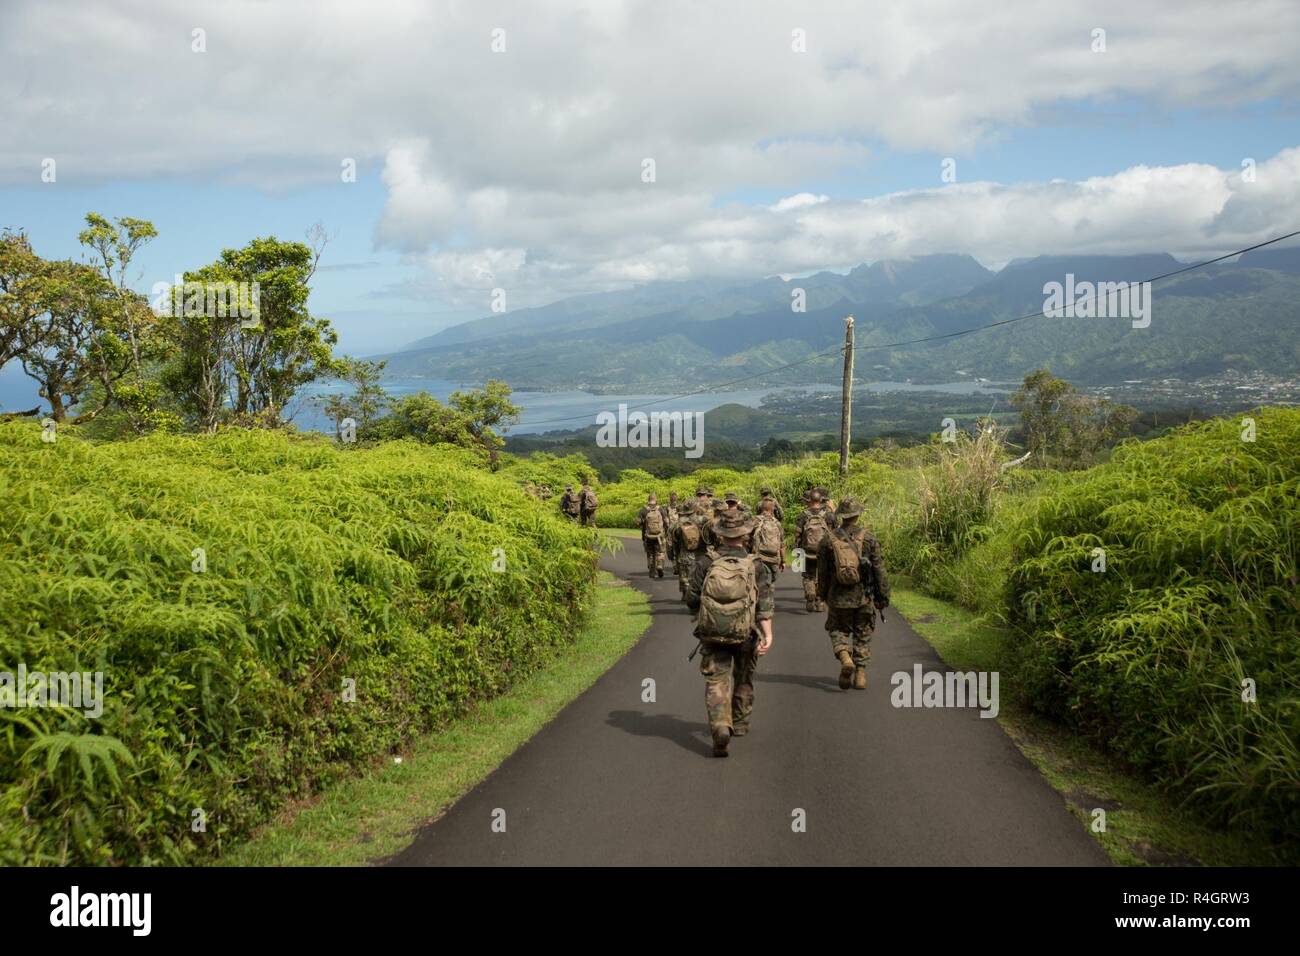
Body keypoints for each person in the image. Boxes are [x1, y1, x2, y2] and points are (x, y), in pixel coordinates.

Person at [685, 510, 774, 757]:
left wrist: (701, 614)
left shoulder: (706, 561)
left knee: (716, 680)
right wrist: (767, 634)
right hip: (746, 633)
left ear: (720, 534)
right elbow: (765, 605)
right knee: (743, 678)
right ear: (745, 535)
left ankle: (720, 726)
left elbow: (691, 598)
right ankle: (741, 723)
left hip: (712, 633)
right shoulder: (756, 564)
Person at [815, 495, 890, 690]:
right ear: (858, 515)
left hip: (837, 597)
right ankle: (861, 674)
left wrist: (822, 595)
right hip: (863, 596)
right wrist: (882, 597)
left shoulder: (827, 541)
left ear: (841, 516)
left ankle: (844, 656)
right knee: (863, 633)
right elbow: (879, 570)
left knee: (837, 630)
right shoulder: (870, 539)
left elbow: (822, 574)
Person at [795, 490, 836, 612]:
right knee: (823, 576)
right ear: (821, 500)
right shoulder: (828, 515)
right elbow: (836, 531)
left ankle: (810, 594)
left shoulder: (803, 515)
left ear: (809, 500)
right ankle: (820, 602)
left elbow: (797, 534)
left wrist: (797, 550)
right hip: (824, 552)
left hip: (807, 551)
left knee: (808, 576)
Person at [673, 499, 708, 599]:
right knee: (700, 576)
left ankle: (686, 594)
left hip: (685, 555)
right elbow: (708, 536)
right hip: (701, 554)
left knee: (685, 578)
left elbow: (674, 539)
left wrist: (675, 554)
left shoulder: (679, 523)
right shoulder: (702, 520)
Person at [750, 493, 786, 579]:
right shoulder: (777, 523)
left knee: (757, 582)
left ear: (761, 508)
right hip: (774, 558)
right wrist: (783, 561)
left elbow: (746, 538)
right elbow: (782, 544)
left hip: (758, 557)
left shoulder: (755, 520)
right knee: (772, 583)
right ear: (772, 509)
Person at [636, 493, 669, 578]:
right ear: (656, 499)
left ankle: (651, 571)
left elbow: (637, 523)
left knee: (650, 554)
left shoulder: (643, 510)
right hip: (660, 536)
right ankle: (660, 565)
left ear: (648, 500)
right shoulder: (660, 509)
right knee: (660, 551)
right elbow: (667, 522)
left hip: (648, 537)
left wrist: (642, 522)